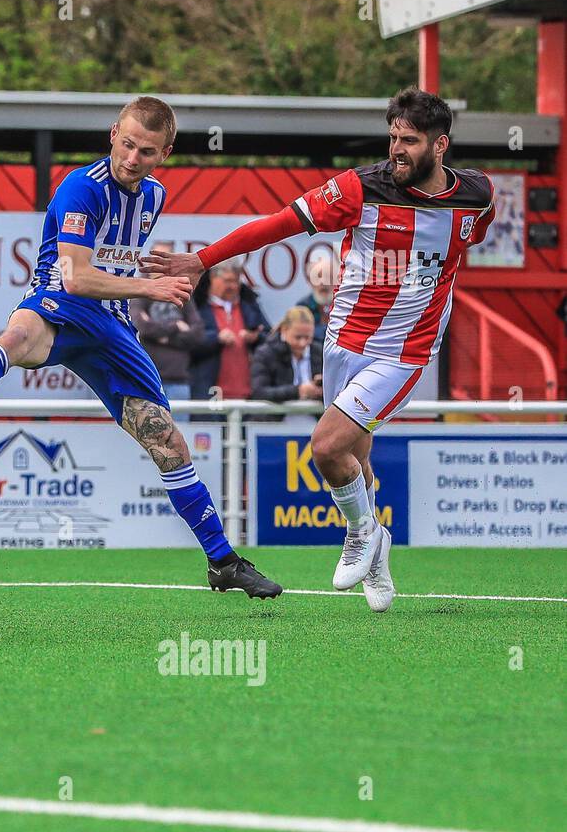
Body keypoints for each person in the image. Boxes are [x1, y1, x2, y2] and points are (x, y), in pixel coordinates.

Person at [143, 88, 496, 612]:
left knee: (327, 447)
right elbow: (277, 224)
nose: (397, 149)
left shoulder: (477, 197)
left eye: (411, 141)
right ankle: (378, 549)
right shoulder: (359, 188)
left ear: (440, 145)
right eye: (393, 137)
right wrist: (203, 259)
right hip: (345, 341)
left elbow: (464, 242)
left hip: (405, 350)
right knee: (356, 456)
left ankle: (360, 534)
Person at [0, 96, 282, 599]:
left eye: (148, 151)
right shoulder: (80, 187)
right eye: (129, 144)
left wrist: (148, 277)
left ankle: (222, 562)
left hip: (110, 327)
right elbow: (74, 277)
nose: (134, 158)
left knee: (168, 442)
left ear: (166, 153)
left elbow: (114, 263)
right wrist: (148, 288)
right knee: (17, 338)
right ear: (114, 133)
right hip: (59, 303)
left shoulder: (154, 195)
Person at [129, 244, 204, 400]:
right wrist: (176, 326)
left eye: (164, 258)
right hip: (147, 379)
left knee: (183, 425)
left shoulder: (181, 288)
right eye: (156, 259)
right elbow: (141, 327)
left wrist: (162, 336)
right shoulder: (141, 289)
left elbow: (198, 333)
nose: (159, 264)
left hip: (179, 380)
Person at [189, 259, 270, 402]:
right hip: (208, 394)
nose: (233, 286)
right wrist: (216, 338)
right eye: (228, 281)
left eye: (236, 281)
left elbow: (270, 338)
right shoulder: (196, 305)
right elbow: (187, 342)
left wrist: (255, 337)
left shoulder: (250, 305)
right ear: (213, 278)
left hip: (247, 395)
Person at [250, 306, 324, 411]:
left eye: (308, 337)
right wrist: (298, 391)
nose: (302, 343)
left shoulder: (319, 352)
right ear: (284, 330)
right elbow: (259, 392)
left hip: (314, 419)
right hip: (277, 420)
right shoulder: (265, 354)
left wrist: (322, 389)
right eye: (297, 337)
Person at [297, 255, 336, 343]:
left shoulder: (344, 306)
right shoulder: (302, 308)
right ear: (309, 281)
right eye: (317, 277)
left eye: (328, 276)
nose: (323, 282)